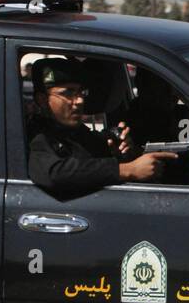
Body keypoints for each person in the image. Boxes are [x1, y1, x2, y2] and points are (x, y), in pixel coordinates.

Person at [27, 58, 175, 199]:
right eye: (68, 93)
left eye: (81, 92)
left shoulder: (74, 131)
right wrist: (127, 170)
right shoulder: (37, 134)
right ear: (42, 100)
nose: (79, 100)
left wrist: (119, 147)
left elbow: (93, 147)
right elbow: (54, 172)